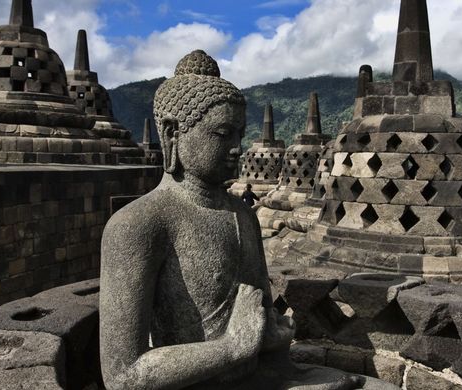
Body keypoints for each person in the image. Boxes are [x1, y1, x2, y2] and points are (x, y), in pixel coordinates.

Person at [99, 50, 389, 390]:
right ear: (172, 134)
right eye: (223, 134)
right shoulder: (138, 225)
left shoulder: (243, 216)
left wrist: (277, 345)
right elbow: (122, 377)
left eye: (240, 134)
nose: (238, 147)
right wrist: (231, 348)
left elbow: (259, 329)